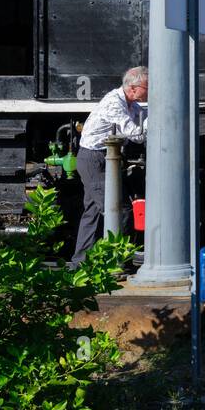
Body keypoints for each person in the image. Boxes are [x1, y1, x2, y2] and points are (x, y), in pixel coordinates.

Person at [69, 66, 148, 267]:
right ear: (133, 88)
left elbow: (143, 116)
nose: (150, 91)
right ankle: (117, 262)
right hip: (94, 160)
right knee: (119, 210)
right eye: (148, 87)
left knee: (93, 212)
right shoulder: (114, 103)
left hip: (98, 159)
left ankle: (81, 261)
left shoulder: (130, 103)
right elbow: (137, 135)